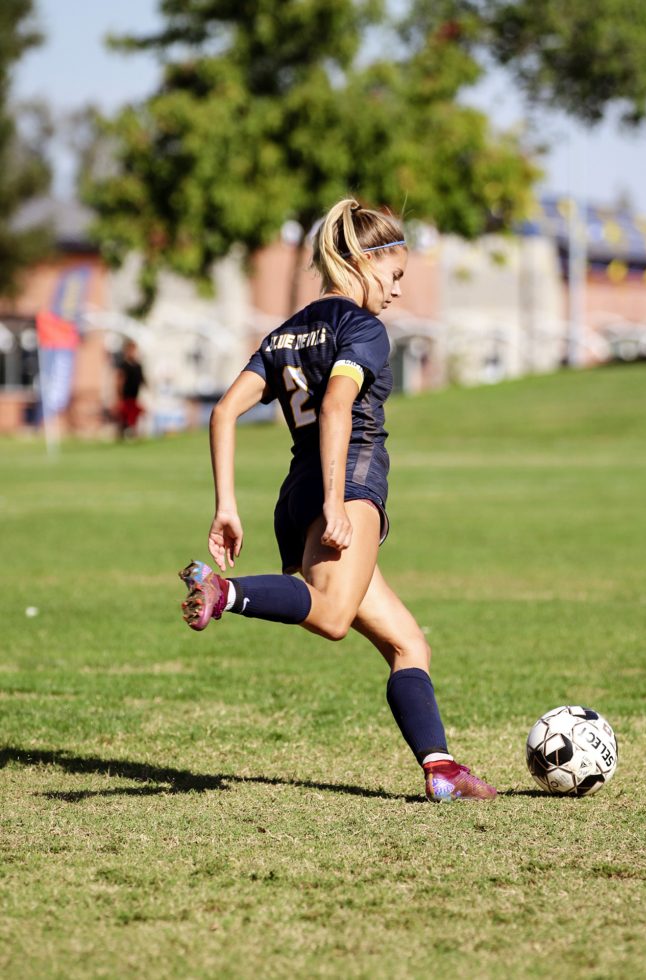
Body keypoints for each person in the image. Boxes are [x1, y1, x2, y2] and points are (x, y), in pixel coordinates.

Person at [179, 198, 496, 803]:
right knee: (329, 617)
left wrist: (227, 505)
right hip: (343, 488)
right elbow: (335, 407)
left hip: (295, 493)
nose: (398, 291)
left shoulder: (284, 333)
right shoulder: (362, 329)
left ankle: (442, 769)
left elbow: (223, 412)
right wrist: (335, 504)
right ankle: (228, 592)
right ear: (359, 260)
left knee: (408, 644)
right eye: (395, 275)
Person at [116, 340, 145, 439]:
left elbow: (142, 380)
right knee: (124, 417)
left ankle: (133, 434)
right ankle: (122, 435)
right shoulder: (124, 365)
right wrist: (119, 395)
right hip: (125, 395)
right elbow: (119, 380)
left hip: (135, 395)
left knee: (134, 416)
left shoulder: (138, 366)